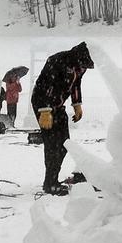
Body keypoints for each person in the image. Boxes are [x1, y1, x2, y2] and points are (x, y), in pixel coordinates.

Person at [31, 42, 94, 195]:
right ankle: (50, 183)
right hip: (42, 103)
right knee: (52, 144)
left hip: (58, 105)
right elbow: (45, 84)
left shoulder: (80, 66)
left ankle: (53, 179)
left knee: (64, 143)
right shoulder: (57, 61)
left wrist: (77, 104)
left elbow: (76, 84)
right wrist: (45, 111)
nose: (83, 68)